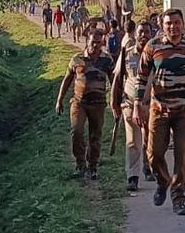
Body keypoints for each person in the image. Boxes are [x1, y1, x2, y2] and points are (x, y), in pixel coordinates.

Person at [134, 8, 185, 215]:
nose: (172, 27)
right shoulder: (153, 46)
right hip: (159, 108)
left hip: (184, 109)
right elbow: (141, 77)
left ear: (183, 24)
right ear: (162, 25)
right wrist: (138, 103)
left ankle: (178, 198)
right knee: (154, 153)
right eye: (168, 23)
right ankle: (163, 180)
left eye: (176, 22)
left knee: (182, 154)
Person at [54, 28, 115, 179]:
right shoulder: (77, 59)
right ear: (87, 40)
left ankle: (93, 166)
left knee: (95, 135)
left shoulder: (107, 60)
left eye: (99, 43)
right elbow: (67, 79)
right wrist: (59, 100)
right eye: (93, 42)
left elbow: (115, 81)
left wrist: (116, 100)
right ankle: (80, 164)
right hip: (79, 102)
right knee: (77, 132)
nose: (95, 46)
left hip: (98, 104)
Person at [112, 21, 156, 191]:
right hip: (130, 104)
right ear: (135, 34)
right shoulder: (127, 54)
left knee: (150, 140)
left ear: (152, 34)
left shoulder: (158, 56)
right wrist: (114, 102)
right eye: (140, 32)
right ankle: (133, 177)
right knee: (133, 142)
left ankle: (148, 165)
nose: (144, 34)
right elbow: (118, 78)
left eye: (147, 31)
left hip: (152, 105)